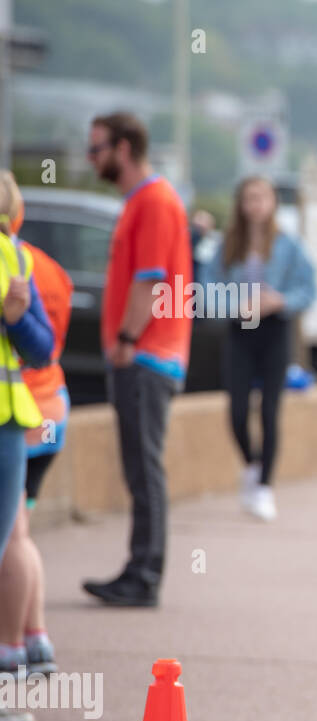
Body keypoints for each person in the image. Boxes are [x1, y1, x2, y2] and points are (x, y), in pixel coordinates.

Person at [80, 112, 192, 608]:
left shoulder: (153, 201)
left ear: (123, 149)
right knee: (140, 468)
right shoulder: (143, 201)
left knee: (144, 469)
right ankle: (138, 568)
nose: (92, 158)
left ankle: (144, 574)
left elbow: (150, 279)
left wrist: (127, 337)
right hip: (146, 353)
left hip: (147, 354)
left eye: (96, 149)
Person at [198, 176, 316, 521]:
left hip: (275, 329)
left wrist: (279, 301)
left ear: (273, 202)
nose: (256, 205)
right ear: (241, 203)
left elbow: (309, 288)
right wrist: (234, 303)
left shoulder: (288, 245)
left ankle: (265, 486)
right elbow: (206, 285)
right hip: (241, 329)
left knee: (269, 410)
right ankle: (250, 463)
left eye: (262, 198)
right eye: (249, 198)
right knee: (236, 409)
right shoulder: (227, 245)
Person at [3, 174, 71, 678]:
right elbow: (45, 346)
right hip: (41, 411)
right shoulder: (32, 260)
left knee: (15, 534)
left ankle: (14, 649)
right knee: (17, 531)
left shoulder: (20, 260)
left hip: (24, 415)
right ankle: (34, 639)